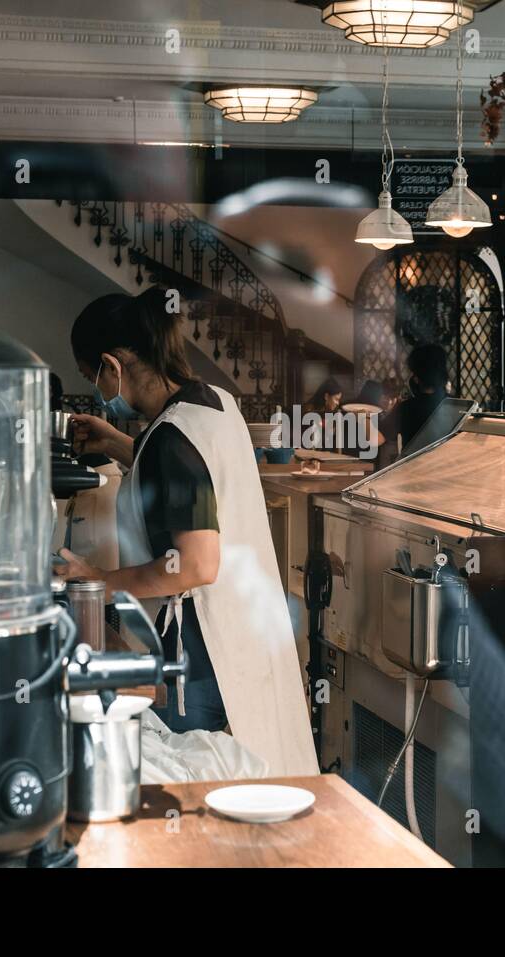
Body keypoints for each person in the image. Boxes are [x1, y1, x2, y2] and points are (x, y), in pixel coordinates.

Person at [56, 288, 317, 778]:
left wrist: (97, 579)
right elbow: (190, 486)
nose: (94, 386)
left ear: (112, 366)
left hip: (204, 656)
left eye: (90, 374)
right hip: (248, 634)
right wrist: (119, 444)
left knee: (200, 794)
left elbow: (196, 564)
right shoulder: (212, 404)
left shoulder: (172, 439)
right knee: (252, 774)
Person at [392, 344, 450, 448]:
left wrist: (367, 416)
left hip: (414, 464)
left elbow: (376, 439)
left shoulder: (406, 408)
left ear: (416, 378)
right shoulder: (456, 405)